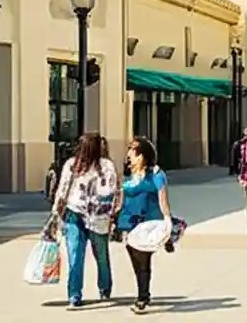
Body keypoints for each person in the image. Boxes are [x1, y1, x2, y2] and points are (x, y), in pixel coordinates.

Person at [51, 132, 117, 309]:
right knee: (77, 255)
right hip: (77, 214)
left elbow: (112, 191)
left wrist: (55, 213)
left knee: (95, 255)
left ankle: (103, 287)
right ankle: (75, 295)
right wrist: (56, 214)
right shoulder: (73, 165)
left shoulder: (105, 166)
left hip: (96, 217)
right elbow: (63, 189)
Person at [116, 136, 172, 314]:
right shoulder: (128, 173)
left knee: (143, 259)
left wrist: (167, 221)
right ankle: (143, 290)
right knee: (134, 258)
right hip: (128, 222)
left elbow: (163, 197)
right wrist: (113, 217)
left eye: (132, 151)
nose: (129, 155)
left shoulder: (155, 174)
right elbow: (121, 199)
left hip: (148, 223)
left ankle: (142, 297)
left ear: (142, 155)